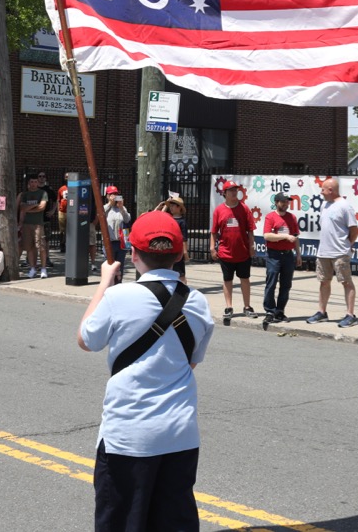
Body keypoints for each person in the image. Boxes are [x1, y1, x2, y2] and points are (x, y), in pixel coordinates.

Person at [78, 210, 215, 532]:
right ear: (180, 254)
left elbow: (86, 339)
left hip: (129, 436)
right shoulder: (197, 302)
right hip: (180, 434)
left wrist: (104, 282)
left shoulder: (117, 296)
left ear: (133, 253)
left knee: (123, 521)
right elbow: (190, 361)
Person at [307, 178, 358, 328]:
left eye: (323, 189)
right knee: (324, 282)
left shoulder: (345, 206)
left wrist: (348, 244)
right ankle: (322, 312)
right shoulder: (325, 205)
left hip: (340, 252)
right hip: (323, 251)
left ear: (331, 190)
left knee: (346, 282)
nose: (321, 192)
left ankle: (350, 315)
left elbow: (354, 229)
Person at [210, 181, 256, 319]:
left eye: (235, 189)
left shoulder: (244, 209)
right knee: (227, 280)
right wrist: (212, 248)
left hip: (243, 252)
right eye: (230, 190)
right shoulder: (219, 210)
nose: (234, 192)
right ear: (224, 193)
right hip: (225, 252)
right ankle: (229, 307)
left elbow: (250, 231)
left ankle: (247, 306)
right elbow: (214, 232)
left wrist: (252, 246)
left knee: (245, 279)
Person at [262, 192, 302, 323]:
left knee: (286, 285)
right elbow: (267, 236)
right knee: (271, 283)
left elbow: (295, 237)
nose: (285, 204)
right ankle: (269, 310)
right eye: (283, 201)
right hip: (274, 255)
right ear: (276, 202)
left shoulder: (292, 218)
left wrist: (298, 254)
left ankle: (280, 311)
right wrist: (284, 236)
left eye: (287, 201)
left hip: (288, 255)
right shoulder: (271, 217)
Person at [20, 174, 49, 278]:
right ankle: (32, 268)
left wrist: (30, 208)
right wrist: (34, 205)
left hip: (38, 224)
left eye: (35, 182)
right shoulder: (25, 195)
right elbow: (23, 208)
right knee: (29, 247)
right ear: (29, 183)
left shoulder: (43, 193)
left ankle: (43, 268)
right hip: (27, 224)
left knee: (41, 246)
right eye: (32, 182)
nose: (34, 184)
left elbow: (42, 207)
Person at [155, 195, 189, 283]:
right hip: (169, 249)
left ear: (179, 208)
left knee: (180, 273)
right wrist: (165, 205)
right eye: (170, 205)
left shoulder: (182, 222)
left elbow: (184, 238)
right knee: (169, 271)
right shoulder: (169, 218)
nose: (171, 207)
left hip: (178, 250)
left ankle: (183, 290)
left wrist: (185, 252)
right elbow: (160, 216)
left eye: (173, 205)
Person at [103, 185, 133, 281]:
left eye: (115, 194)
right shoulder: (105, 208)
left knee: (120, 266)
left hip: (121, 243)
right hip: (110, 242)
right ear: (107, 196)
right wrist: (110, 204)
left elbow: (127, 219)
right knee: (109, 266)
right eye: (111, 194)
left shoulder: (121, 208)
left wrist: (121, 208)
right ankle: (108, 284)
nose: (114, 196)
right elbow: (100, 215)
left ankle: (118, 284)